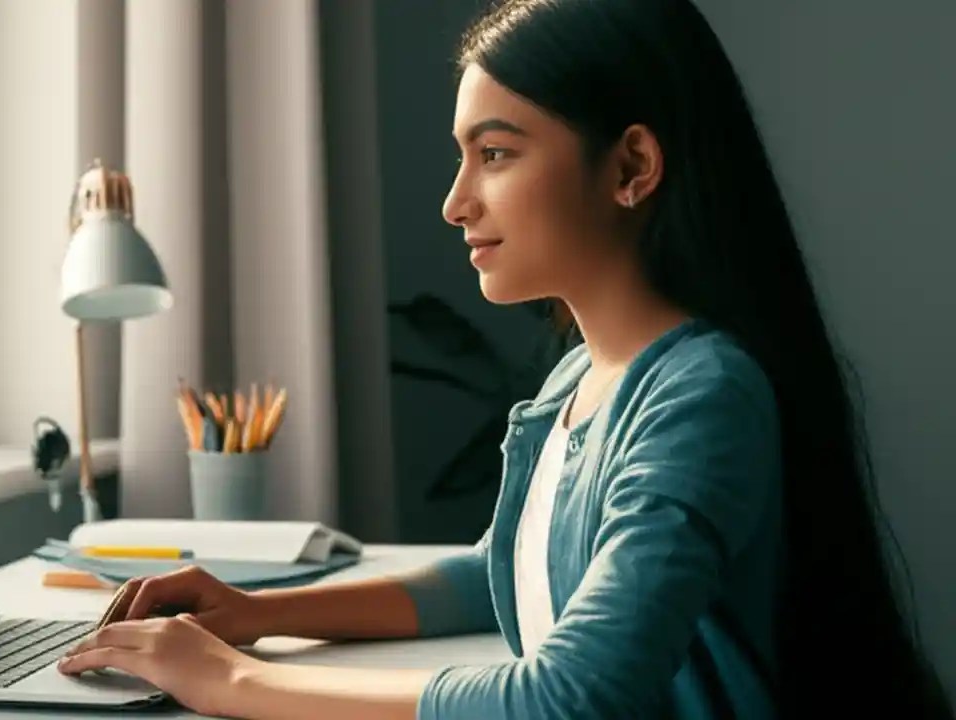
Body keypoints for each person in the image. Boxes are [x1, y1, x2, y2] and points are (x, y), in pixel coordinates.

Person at [56, 0, 954, 717]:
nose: (455, 204)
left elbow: (572, 695)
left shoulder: (701, 397)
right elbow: (494, 577)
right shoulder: (580, 378)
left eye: (495, 154)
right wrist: (256, 614)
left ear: (632, 165)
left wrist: (234, 684)